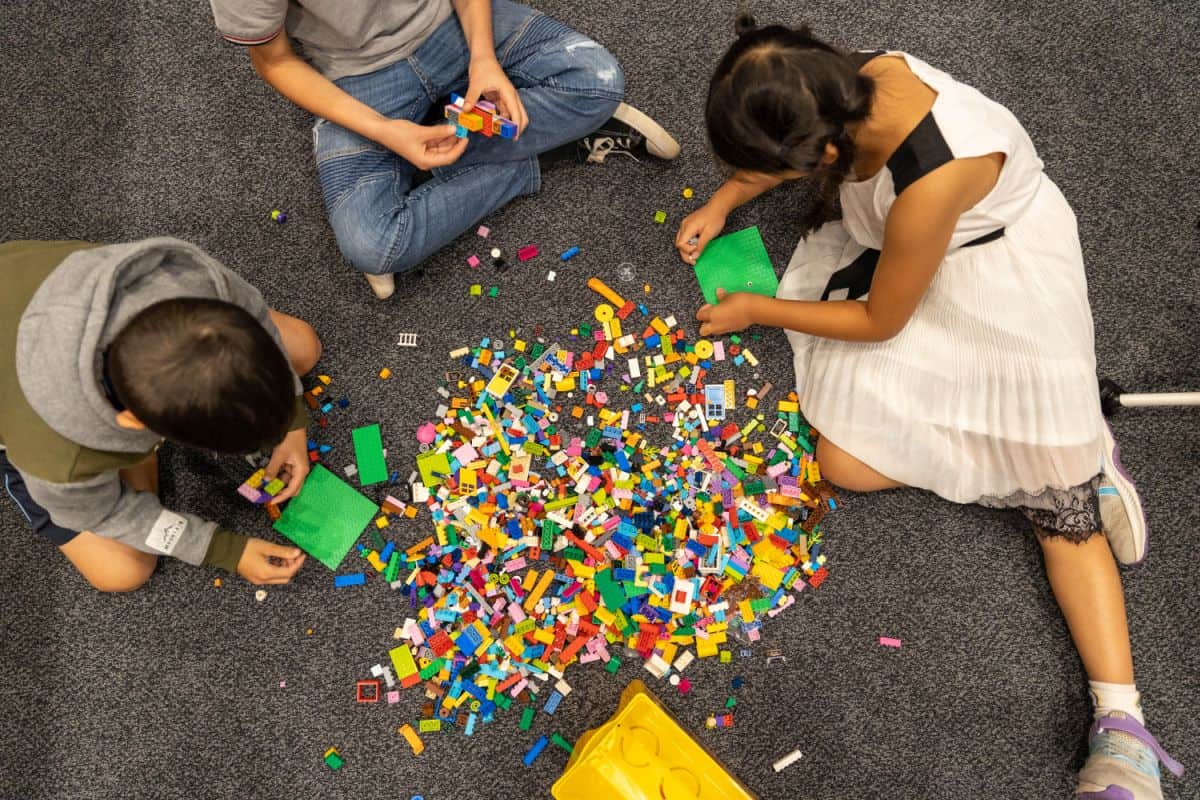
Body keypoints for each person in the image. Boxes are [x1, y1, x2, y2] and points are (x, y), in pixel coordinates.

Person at [677, 17, 1183, 800]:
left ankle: (1125, 723)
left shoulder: (932, 177)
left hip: (999, 291)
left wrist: (759, 310)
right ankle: (1062, 452)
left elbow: (882, 320)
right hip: (921, 266)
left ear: (828, 152)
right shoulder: (841, 82)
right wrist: (723, 200)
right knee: (838, 463)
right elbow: (783, 140)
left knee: (1061, 518)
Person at [210, 0, 680, 299]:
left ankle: (436, 157)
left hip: (452, 23)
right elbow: (274, 61)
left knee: (599, 84)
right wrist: (384, 131)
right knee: (373, 245)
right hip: (357, 77)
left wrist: (483, 58)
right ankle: (548, 149)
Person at [0, 239, 321, 592]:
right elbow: (105, 514)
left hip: (48, 296)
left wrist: (291, 420)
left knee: (303, 347)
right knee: (123, 572)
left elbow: (254, 313)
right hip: (30, 418)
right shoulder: (60, 464)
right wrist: (224, 549)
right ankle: (129, 458)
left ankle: (139, 452)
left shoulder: (191, 278)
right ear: (135, 424)